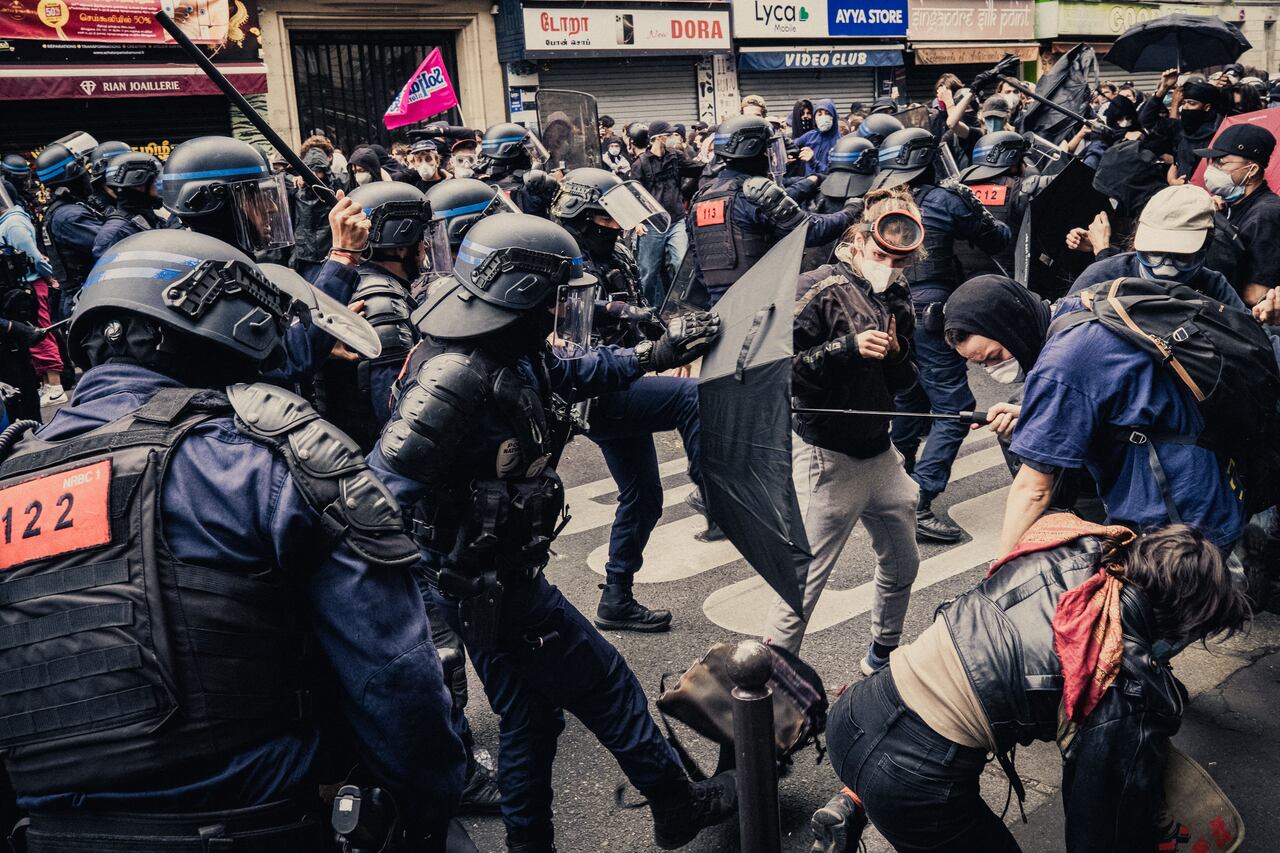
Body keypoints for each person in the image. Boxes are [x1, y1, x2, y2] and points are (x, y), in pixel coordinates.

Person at [0, 228, 467, 852]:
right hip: (265, 824)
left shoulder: (10, 479)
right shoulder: (261, 462)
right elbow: (397, 682)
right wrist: (426, 807)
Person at [368, 213, 736, 852]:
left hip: (490, 576)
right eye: (556, 298)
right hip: (489, 584)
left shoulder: (503, 345)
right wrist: (440, 591)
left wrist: (654, 355)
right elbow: (378, 501)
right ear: (520, 294)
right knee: (608, 683)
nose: (561, 312)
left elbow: (570, 370)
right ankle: (677, 803)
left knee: (530, 720)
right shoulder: (455, 377)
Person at [821, 517, 1250, 853]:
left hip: (858, 712)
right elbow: (1098, 831)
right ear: (1180, 623)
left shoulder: (1077, 544)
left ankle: (856, 803)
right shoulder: (1118, 677)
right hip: (912, 778)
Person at [551, 168, 715, 630]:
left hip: (625, 380)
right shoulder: (565, 263)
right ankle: (716, 493)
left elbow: (639, 315)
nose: (618, 225)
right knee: (693, 398)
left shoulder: (619, 253)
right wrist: (645, 345)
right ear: (581, 217)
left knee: (644, 498)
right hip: (597, 393)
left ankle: (616, 597)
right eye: (607, 217)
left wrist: (670, 337)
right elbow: (577, 347)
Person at [764, 191, 922, 671]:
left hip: (881, 454)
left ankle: (882, 655)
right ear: (858, 238)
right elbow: (774, 371)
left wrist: (896, 354)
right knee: (800, 587)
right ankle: (769, 687)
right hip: (826, 458)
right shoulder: (816, 287)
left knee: (904, 563)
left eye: (900, 260)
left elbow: (906, 382)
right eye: (880, 254)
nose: (889, 266)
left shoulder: (898, 294)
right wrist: (845, 349)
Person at [1002, 268, 1249, 553]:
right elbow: (1118, 395)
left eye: (995, 357)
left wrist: (999, 569)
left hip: (1177, 514)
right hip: (1205, 482)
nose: (993, 367)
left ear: (1007, 327)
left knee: (1192, 578)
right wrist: (1036, 418)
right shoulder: (1084, 308)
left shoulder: (1064, 358)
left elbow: (1033, 490)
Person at [874, 126, 1011, 542]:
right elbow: (997, 238)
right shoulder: (943, 199)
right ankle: (918, 501)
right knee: (954, 408)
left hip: (888, 312)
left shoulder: (876, 204)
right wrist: (968, 201)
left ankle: (892, 488)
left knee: (911, 400)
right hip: (930, 315)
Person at [160, 135, 367, 385]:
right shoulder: (202, 278)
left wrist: (319, 332)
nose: (271, 207)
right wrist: (343, 257)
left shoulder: (226, 264)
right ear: (218, 203)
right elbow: (281, 362)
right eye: (254, 197)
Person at [685, 114, 861, 307]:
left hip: (719, 309)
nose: (771, 156)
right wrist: (851, 210)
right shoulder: (752, 192)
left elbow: (699, 265)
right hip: (762, 306)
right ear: (753, 150)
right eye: (767, 149)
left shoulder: (702, 196)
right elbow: (811, 231)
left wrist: (811, 182)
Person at [316, 180, 431, 451]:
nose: (425, 245)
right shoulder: (382, 303)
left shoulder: (351, 281)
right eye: (420, 236)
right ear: (402, 246)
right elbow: (393, 411)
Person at [1197, 123, 1280, 309]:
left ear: (1252, 169)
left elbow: (1256, 294)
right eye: (1212, 162)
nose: (1212, 169)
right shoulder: (1230, 205)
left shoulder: (1267, 215)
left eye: (1222, 163)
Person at [632, 121, 702, 307]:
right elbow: (634, 195)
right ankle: (648, 310)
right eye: (669, 135)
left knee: (682, 264)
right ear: (659, 138)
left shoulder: (676, 156)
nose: (673, 138)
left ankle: (683, 306)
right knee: (648, 273)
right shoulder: (640, 164)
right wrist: (637, 222)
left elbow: (696, 168)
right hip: (652, 224)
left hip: (677, 220)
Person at [33, 141, 104, 320]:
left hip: (83, 295)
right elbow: (111, 245)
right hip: (85, 296)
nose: (87, 174)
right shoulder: (69, 216)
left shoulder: (63, 209)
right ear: (71, 176)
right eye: (83, 170)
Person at [0, 190, 51, 419]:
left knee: (26, 392)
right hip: (7, 332)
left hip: (11, 338)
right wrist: (11, 327)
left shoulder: (11, 224)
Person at [956, 130, 1032, 278]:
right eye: (1022, 160)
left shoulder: (958, 189)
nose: (1025, 166)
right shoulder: (1021, 189)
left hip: (964, 280)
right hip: (1009, 279)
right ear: (1012, 161)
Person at [1141, 73, 1221, 181]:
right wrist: (1163, 90)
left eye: (1192, 103)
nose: (1186, 107)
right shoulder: (1180, 127)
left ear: (1207, 107)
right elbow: (1147, 120)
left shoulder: (1219, 132)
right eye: (1184, 103)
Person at [475, 122, 558, 217]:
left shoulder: (482, 187)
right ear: (512, 151)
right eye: (527, 151)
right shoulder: (534, 184)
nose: (530, 155)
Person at [91, 152, 164, 259]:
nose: (160, 184)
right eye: (154, 180)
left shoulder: (151, 219)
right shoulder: (115, 233)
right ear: (137, 185)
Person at [289, 147, 342, 283]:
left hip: (329, 254)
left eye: (319, 171)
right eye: (311, 172)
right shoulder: (298, 192)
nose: (315, 176)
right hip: (306, 257)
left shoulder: (335, 188)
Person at [793, 99, 842, 175]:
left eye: (827, 114)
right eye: (819, 114)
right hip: (808, 181)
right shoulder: (811, 135)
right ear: (814, 118)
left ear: (834, 116)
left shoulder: (839, 142)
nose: (823, 117)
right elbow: (793, 144)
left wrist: (813, 161)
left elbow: (834, 173)